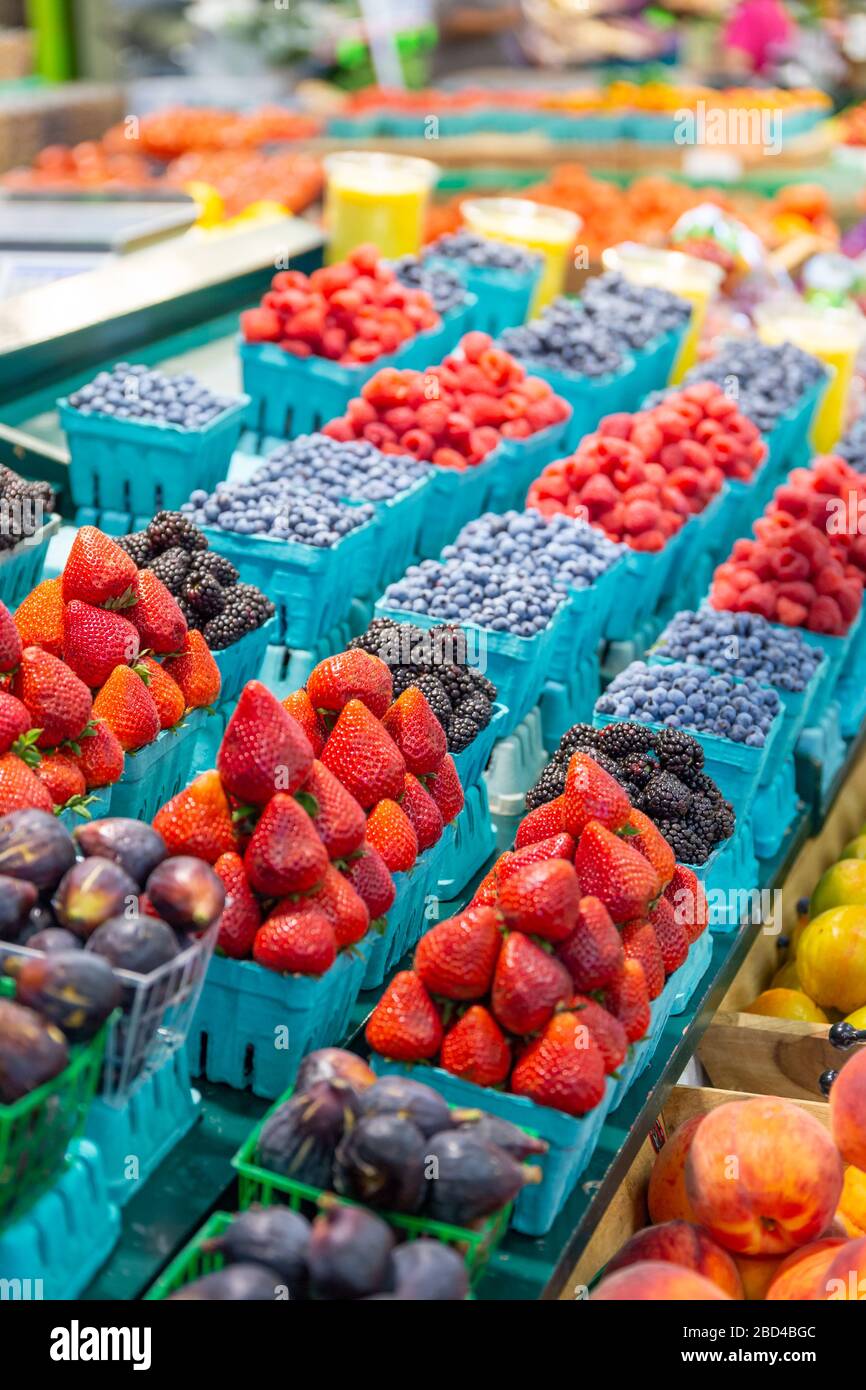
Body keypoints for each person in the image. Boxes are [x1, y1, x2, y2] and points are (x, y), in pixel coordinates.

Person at [723, 0, 795, 76]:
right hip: (774, 81)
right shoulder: (779, 9)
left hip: (751, 84)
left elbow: (734, 66)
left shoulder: (749, 13)